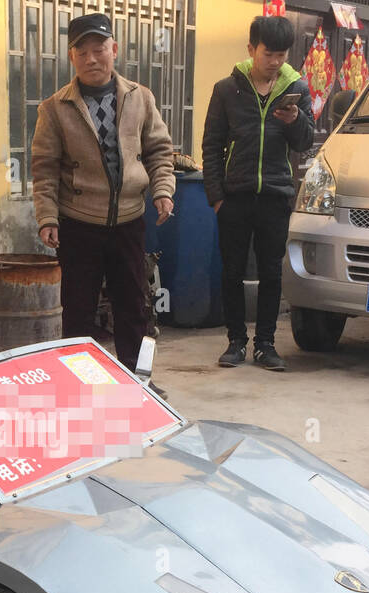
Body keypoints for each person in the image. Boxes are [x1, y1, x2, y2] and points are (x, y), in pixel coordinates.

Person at [31, 12, 175, 377]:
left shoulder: (140, 98)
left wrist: (162, 190)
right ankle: (76, 382)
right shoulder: (54, 108)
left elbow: (159, 150)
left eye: (99, 50)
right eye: (82, 53)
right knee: (78, 311)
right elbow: (44, 168)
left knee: (134, 308)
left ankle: (138, 381)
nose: (92, 59)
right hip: (78, 225)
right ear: (71, 57)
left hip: (129, 221)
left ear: (114, 50)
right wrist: (47, 217)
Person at [202, 15, 313, 371]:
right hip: (234, 197)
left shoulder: (296, 88)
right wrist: (216, 196)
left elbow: (306, 142)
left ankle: (265, 344)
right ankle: (235, 341)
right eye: (269, 54)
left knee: (271, 273)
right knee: (231, 270)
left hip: (276, 195)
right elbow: (212, 145)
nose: (276, 62)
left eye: (282, 55)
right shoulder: (226, 90)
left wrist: (295, 119)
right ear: (251, 50)